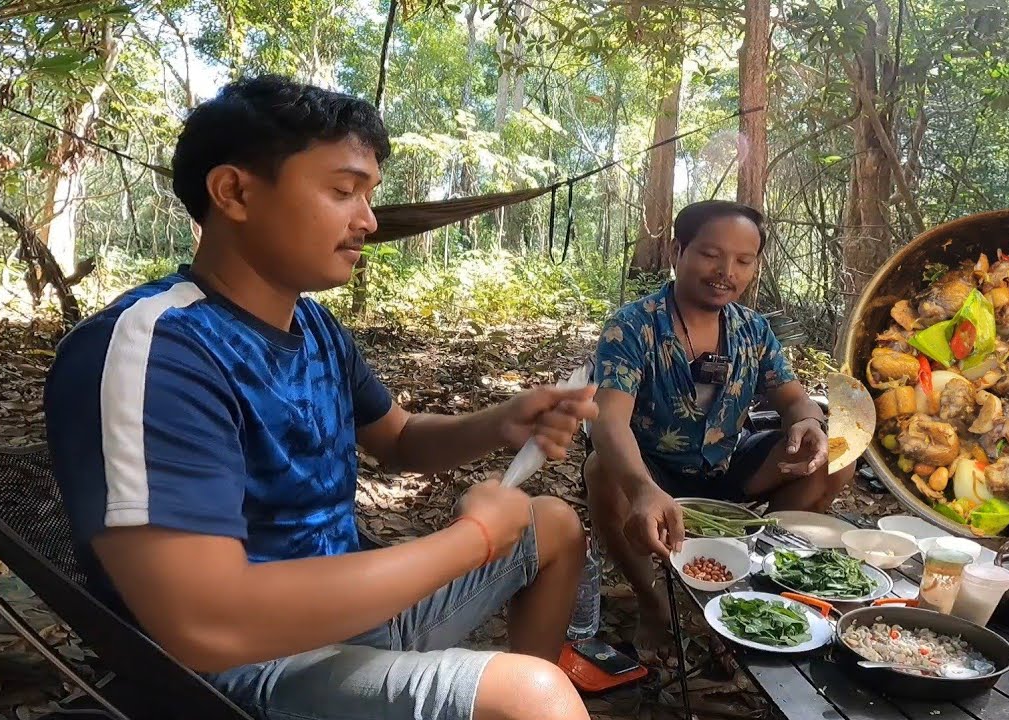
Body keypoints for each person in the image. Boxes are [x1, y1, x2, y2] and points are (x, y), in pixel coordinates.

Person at [43, 75, 598, 720]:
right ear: (235, 192)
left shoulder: (310, 325)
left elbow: (397, 437)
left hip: (348, 606)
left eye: (369, 195)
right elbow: (205, 624)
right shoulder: (158, 351)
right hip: (239, 670)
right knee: (532, 696)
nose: (368, 220)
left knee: (551, 524)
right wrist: (472, 540)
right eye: (343, 190)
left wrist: (502, 421)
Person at [586, 200, 854, 655]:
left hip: (728, 467)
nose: (725, 270)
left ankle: (756, 575)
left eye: (743, 260)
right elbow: (608, 420)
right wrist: (642, 488)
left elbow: (792, 399)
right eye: (711, 254)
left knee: (838, 454)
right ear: (677, 251)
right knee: (600, 469)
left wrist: (808, 421)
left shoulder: (753, 330)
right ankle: (653, 604)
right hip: (653, 474)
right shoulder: (632, 327)